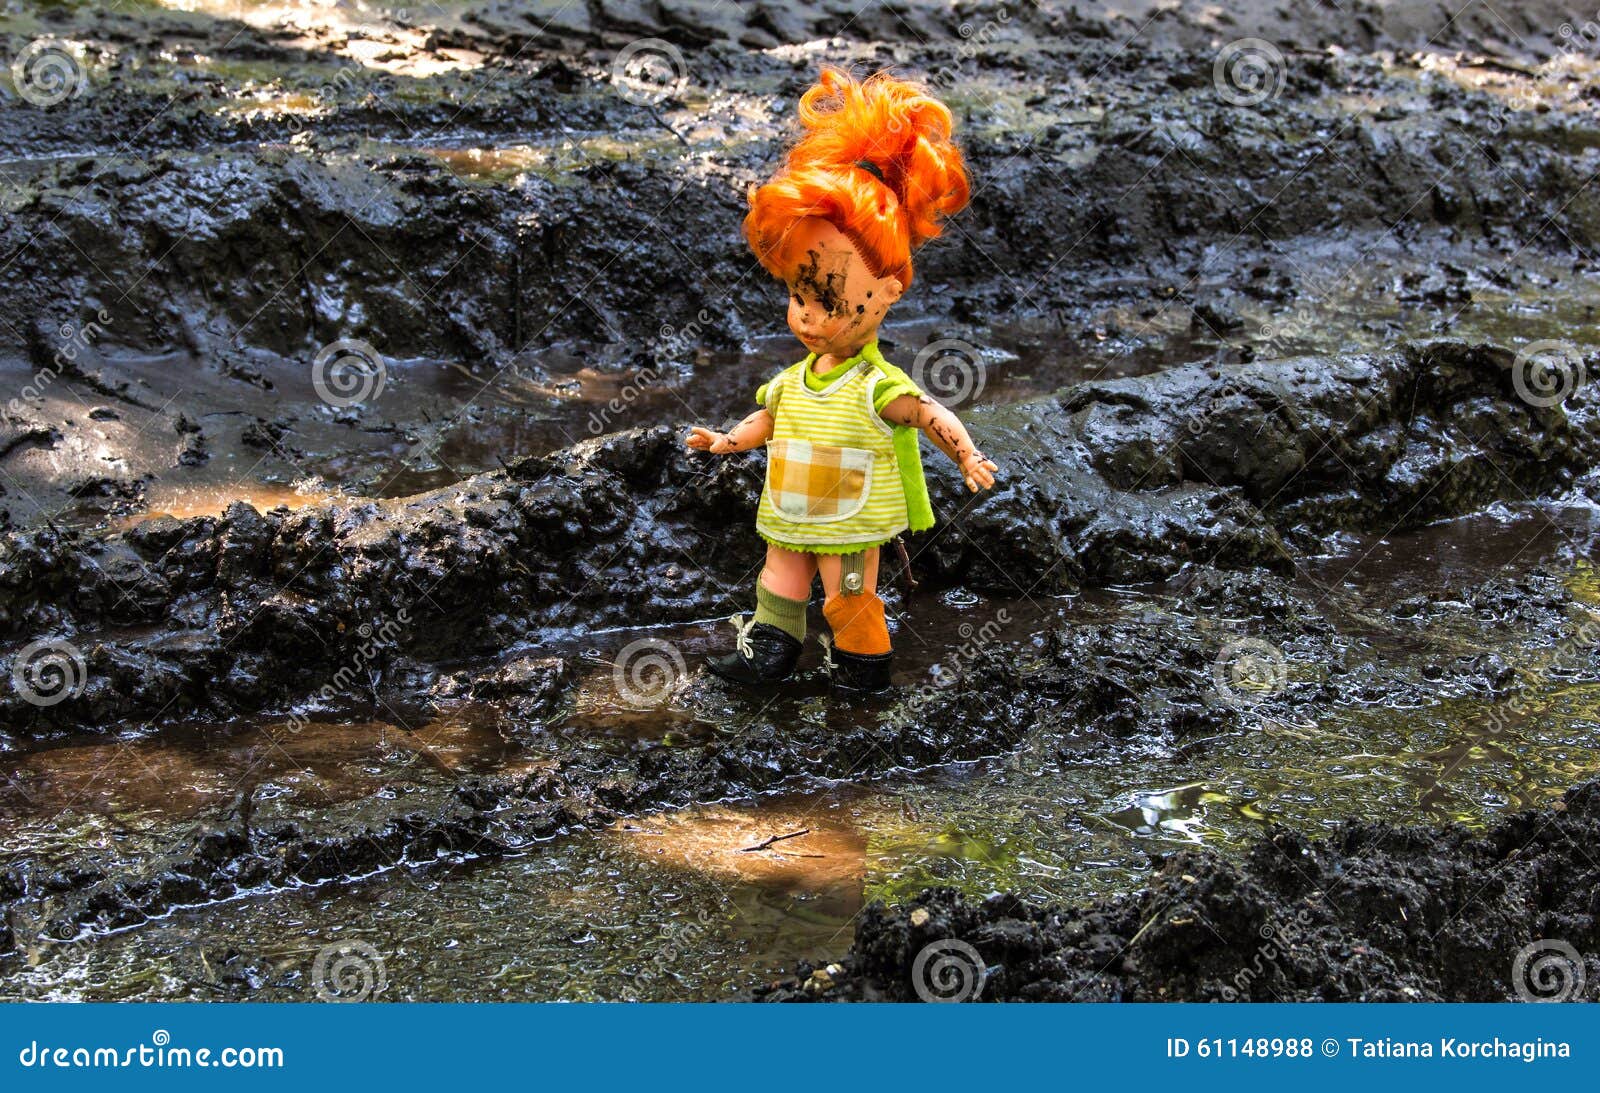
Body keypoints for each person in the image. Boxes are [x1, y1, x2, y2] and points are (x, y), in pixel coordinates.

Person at [686, 65, 998, 694]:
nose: (806, 315)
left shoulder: (874, 384)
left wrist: (966, 454)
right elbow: (772, 418)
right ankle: (769, 653)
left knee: (848, 591)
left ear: (886, 294)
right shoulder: (795, 377)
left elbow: (926, 412)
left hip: (851, 518)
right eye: (798, 294)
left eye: (827, 300)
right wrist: (727, 442)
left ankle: (863, 668)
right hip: (791, 508)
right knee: (778, 580)